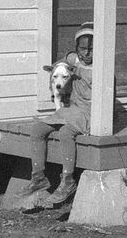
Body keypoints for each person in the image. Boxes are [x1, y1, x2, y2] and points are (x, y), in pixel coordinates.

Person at [21, 22, 94, 206]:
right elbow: (57, 69)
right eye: (83, 48)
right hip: (72, 108)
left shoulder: (103, 69)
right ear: (76, 48)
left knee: (65, 132)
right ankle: (38, 177)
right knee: (38, 129)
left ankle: (68, 180)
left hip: (91, 112)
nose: (86, 53)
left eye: (91, 49)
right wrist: (55, 78)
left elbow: (107, 100)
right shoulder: (72, 60)